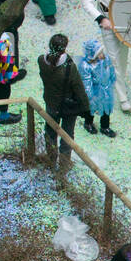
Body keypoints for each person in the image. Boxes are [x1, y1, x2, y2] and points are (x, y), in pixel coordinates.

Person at [37, 32, 93, 169]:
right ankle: (64, 165)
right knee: (67, 136)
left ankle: (50, 159)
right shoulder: (69, 67)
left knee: (50, 132)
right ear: (65, 47)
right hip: (68, 107)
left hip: (51, 102)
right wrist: (87, 110)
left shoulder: (41, 61)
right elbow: (79, 89)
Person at [78, 38, 117, 138]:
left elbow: (111, 69)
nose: (102, 55)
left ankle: (105, 126)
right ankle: (88, 123)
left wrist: (112, 79)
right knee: (91, 108)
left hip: (106, 89)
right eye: (99, 53)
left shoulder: (106, 59)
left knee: (106, 109)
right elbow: (86, 82)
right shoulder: (85, 66)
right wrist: (90, 96)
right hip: (95, 91)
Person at [0, 30, 26, 127]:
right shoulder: (3, 43)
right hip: (0, 76)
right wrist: (14, 76)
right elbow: (7, 62)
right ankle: (4, 115)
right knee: (4, 91)